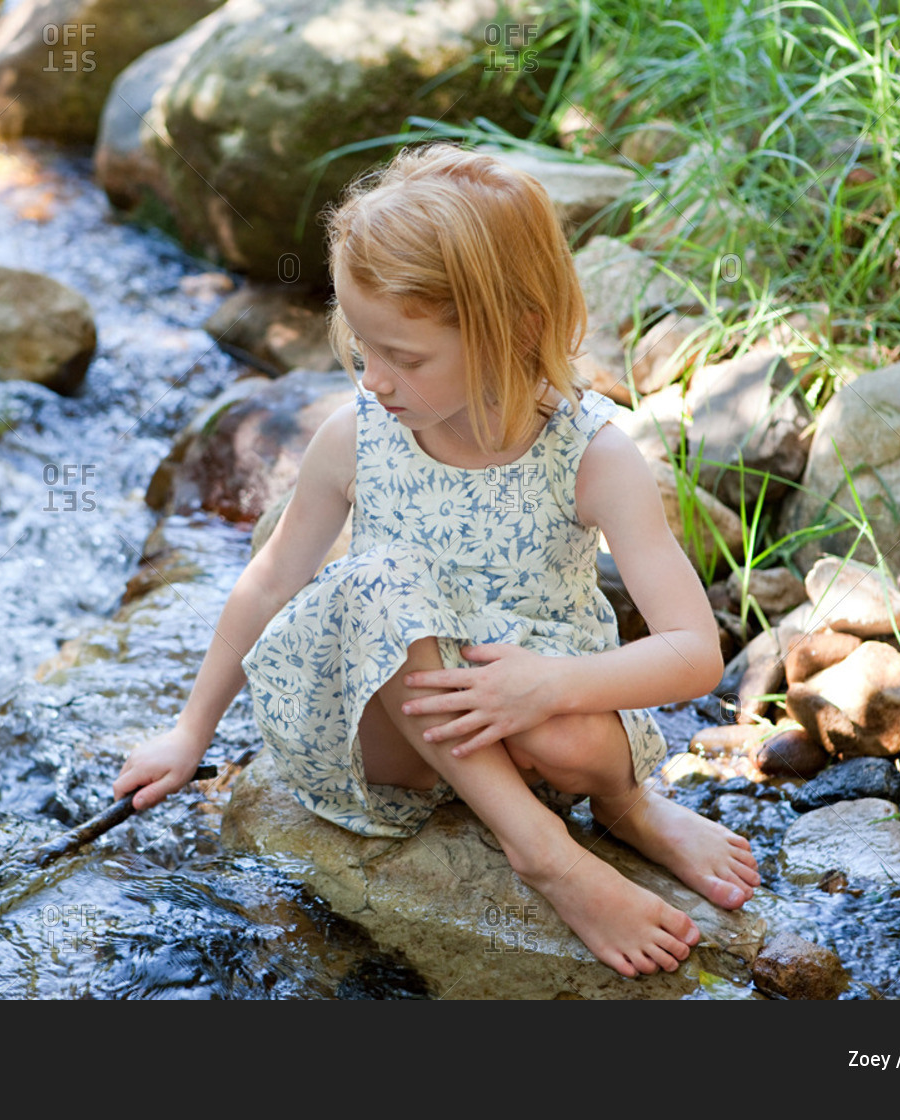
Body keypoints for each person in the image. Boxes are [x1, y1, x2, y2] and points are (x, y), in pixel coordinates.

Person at [112, 142, 759, 978]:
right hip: (393, 739)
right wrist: (188, 732)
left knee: (575, 736)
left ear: (514, 328)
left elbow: (694, 652)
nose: (375, 379)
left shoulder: (592, 456)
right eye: (361, 345)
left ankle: (628, 808)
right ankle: (546, 855)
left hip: (530, 722)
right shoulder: (358, 439)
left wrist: (546, 684)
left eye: (405, 357)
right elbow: (271, 578)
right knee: (381, 579)